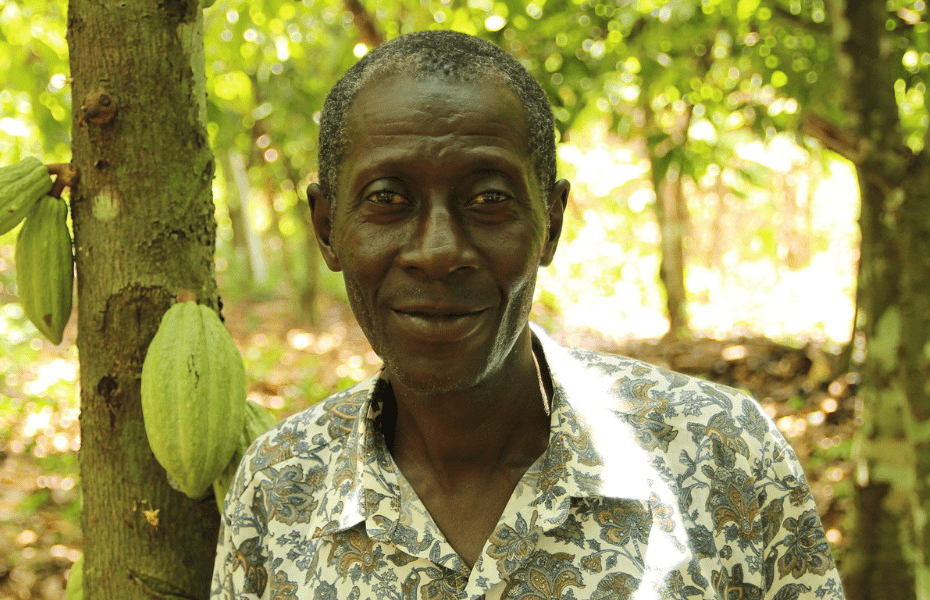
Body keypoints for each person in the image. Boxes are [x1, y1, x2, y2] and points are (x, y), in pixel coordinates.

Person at [210, 30, 844, 600]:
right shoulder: (278, 488)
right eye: (388, 198)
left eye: (488, 198)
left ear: (551, 223)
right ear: (328, 229)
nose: (437, 252)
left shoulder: (720, 456)